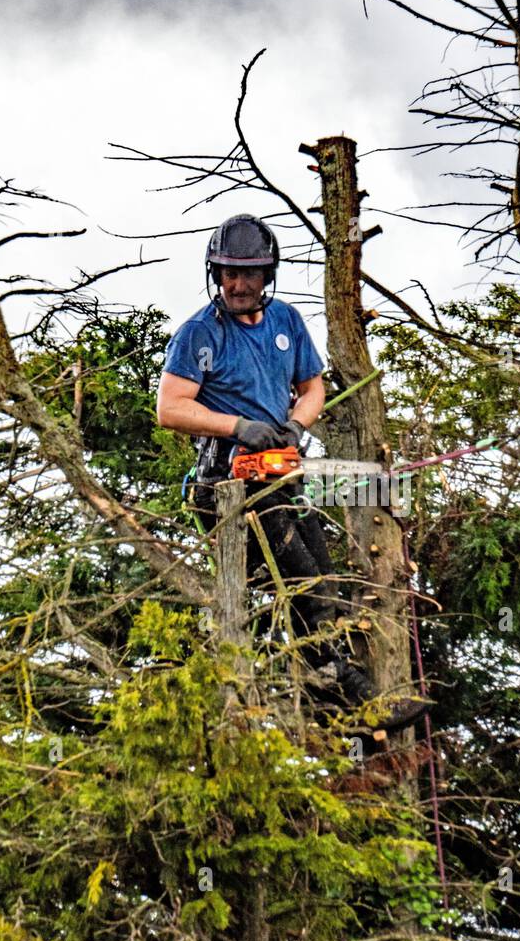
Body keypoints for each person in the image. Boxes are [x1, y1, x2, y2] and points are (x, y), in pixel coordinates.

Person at [156, 213, 428, 733]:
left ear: (267, 275)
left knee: (324, 576)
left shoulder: (286, 322)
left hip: (281, 477)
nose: (237, 285)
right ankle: (344, 692)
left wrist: (293, 424)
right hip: (228, 486)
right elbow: (170, 407)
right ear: (215, 273)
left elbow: (313, 386)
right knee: (303, 581)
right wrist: (238, 426)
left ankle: (329, 697)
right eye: (228, 274)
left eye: (249, 275)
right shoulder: (199, 333)